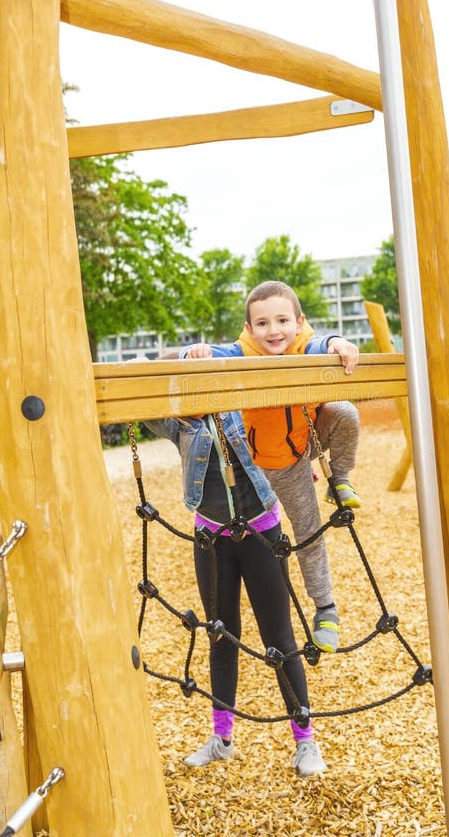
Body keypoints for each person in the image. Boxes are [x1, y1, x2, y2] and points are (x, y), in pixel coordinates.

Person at [179, 280, 361, 655]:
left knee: (345, 412)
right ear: (249, 328)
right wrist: (192, 351)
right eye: (262, 323)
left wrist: (337, 343)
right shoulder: (241, 353)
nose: (273, 331)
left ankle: (325, 606)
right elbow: (201, 356)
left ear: (299, 322)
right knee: (286, 532)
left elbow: (322, 343)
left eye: (282, 320)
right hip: (261, 464)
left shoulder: (305, 346)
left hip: (301, 447)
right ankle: (302, 614)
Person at [144, 410, 327, 777]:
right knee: (221, 635)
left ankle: (305, 740)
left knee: (279, 639)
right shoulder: (182, 423)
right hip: (211, 538)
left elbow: (282, 429)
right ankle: (222, 739)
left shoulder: (244, 409)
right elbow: (146, 404)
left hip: (262, 532)